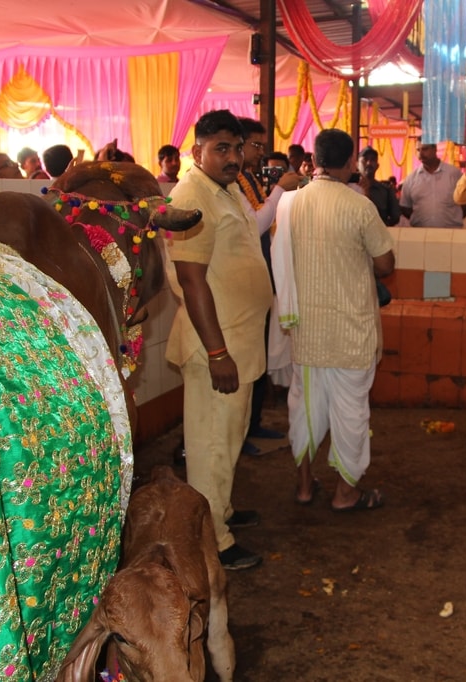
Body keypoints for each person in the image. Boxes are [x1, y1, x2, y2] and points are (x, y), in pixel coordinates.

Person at [163, 109, 271, 571]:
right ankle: (213, 544)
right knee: (211, 447)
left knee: (227, 440)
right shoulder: (191, 196)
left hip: (239, 342)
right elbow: (192, 281)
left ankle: (221, 512)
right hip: (217, 348)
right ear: (197, 152)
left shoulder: (225, 191)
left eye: (235, 148)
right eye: (219, 149)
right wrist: (217, 352)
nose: (231, 157)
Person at [272, 128, 395, 511]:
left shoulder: (290, 204)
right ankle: (345, 493)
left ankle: (305, 486)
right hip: (350, 333)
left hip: (305, 332)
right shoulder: (359, 206)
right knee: (351, 413)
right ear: (349, 162)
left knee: (304, 410)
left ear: (316, 159)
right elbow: (386, 264)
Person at [236, 117, 301, 455]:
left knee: (258, 357)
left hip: (262, 278)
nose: (260, 153)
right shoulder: (233, 180)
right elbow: (257, 225)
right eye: (256, 146)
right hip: (244, 284)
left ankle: (254, 420)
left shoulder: (249, 178)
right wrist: (280, 190)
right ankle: (241, 430)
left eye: (262, 146)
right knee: (247, 360)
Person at [400, 142, 466, 227]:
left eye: (425, 149)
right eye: (418, 150)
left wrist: (451, 220)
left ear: (435, 149)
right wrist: (420, 220)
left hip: (451, 234)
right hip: (420, 234)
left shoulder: (454, 174)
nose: (420, 154)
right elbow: (405, 207)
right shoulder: (411, 179)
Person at [357, 146, 400, 226]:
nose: (369, 163)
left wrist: (382, 228)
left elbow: (395, 217)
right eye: (365, 159)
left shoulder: (386, 190)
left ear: (377, 165)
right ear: (357, 164)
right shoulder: (350, 187)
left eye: (372, 160)